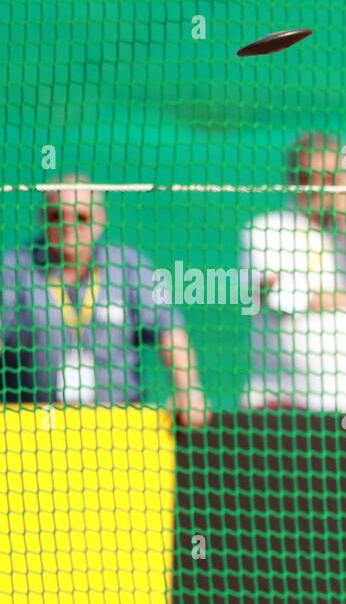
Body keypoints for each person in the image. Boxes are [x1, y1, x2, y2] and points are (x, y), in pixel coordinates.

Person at [0, 175, 209, 426]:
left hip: (120, 426)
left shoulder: (128, 265)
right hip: (34, 427)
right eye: (58, 216)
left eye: (81, 217)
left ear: (99, 220)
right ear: (42, 218)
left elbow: (168, 329)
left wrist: (187, 390)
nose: (69, 225)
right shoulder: (14, 268)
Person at [240, 132, 346, 413]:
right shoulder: (264, 229)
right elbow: (281, 299)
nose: (320, 188)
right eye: (309, 177)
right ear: (293, 179)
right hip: (282, 404)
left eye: (330, 178)